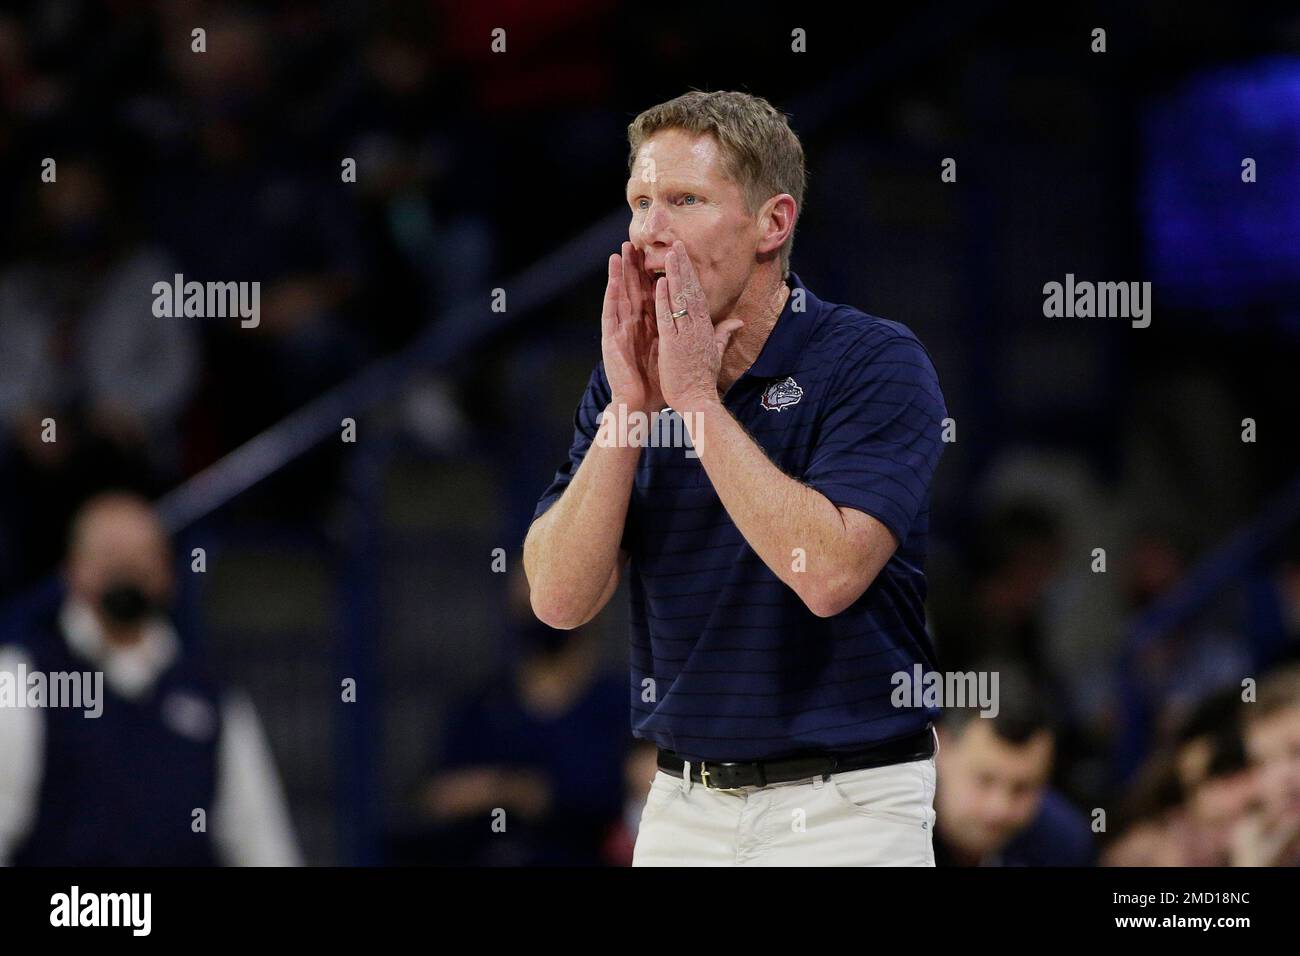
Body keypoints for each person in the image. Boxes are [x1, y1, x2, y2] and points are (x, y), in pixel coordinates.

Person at [524, 90, 947, 865]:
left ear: (772, 223)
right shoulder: (624, 385)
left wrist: (694, 404)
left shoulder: (872, 362)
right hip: (685, 806)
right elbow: (558, 598)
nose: (649, 232)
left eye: (683, 200)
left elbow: (825, 573)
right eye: (639, 202)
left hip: (847, 805)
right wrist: (630, 408)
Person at [0, 492, 300, 865]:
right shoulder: (22, 678)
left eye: (142, 556)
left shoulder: (211, 695)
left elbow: (260, 841)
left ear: (167, 574)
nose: (127, 569)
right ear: (73, 570)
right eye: (110, 555)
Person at [933, 670, 1094, 866]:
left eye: (1023, 788)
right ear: (938, 749)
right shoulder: (890, 832)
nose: (999, 809)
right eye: (985, 780)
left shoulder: (1063, 842)